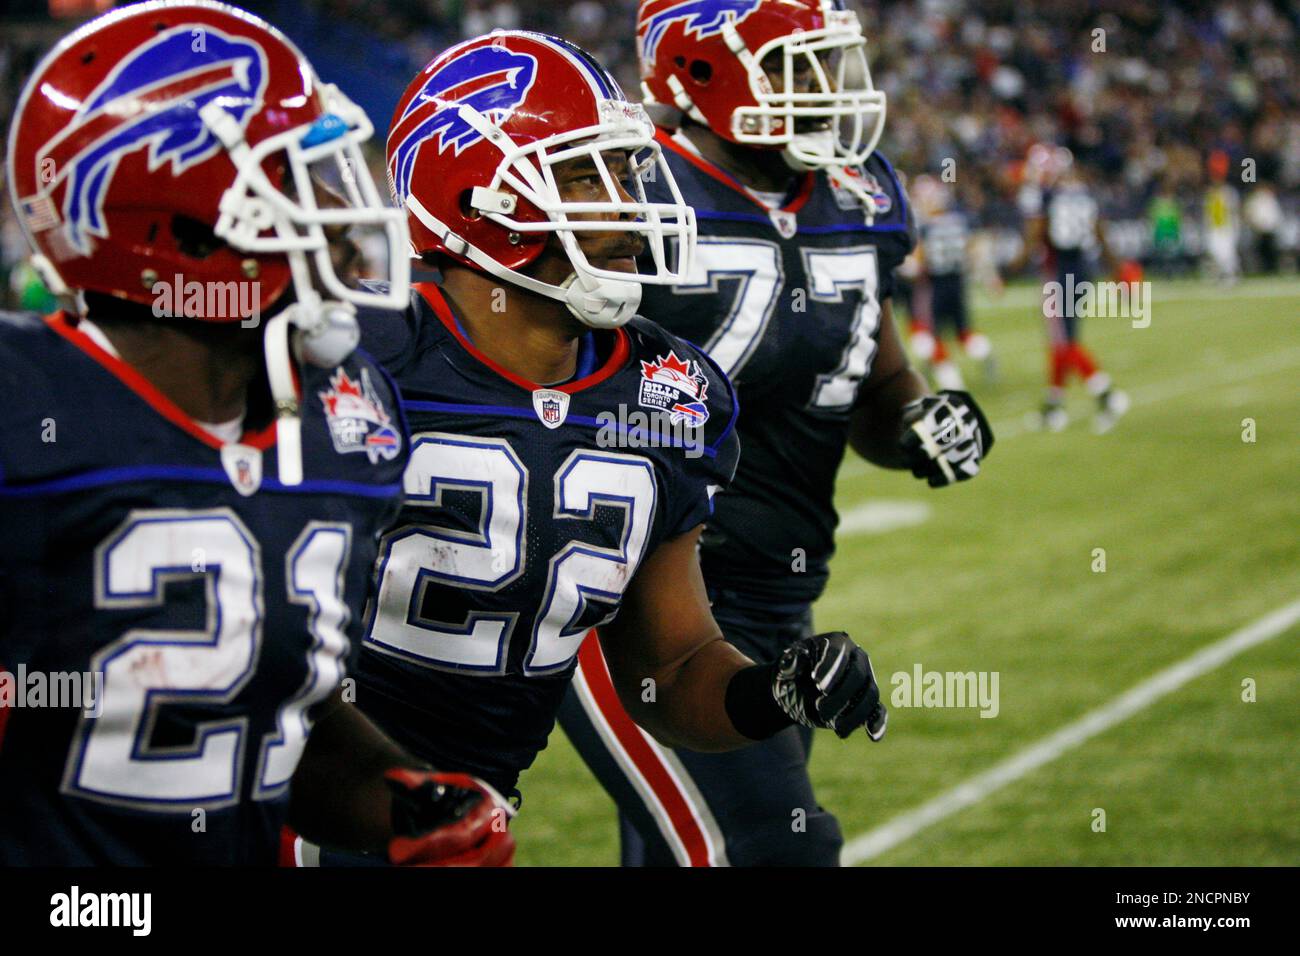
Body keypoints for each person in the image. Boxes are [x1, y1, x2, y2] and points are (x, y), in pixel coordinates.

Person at [286, 28, 889, 866]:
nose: (629, 204)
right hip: (309, 812)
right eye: (582, 174)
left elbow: (670, 670)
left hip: (474, 820)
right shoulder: (359, 358)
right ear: (474, 197)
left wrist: (770, 690)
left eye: (627, 173)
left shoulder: (670, 390)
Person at [0, 0, 509, 866]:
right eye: (298, 184)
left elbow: (264, 709)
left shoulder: (346, 420)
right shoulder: (27, 406)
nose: (348, 228)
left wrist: (396, 796)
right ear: (181, 222)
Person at [556, 0, 994, 866]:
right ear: (704, 74)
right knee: (770, 848)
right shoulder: (634, 195)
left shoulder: (857, 194)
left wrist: (917, 423)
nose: (825, 90)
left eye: (827, 66)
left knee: (686, 851)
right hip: (637, 603)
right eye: (795, 69)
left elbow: (876, 381)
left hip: (776, 594)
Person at [1016, 145, 1129, 434]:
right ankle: (1054, 406)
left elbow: (1035, 236)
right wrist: (1116, 271)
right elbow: (1100, 234)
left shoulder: (1044, 195)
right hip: (1083, 268)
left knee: (1064, 340)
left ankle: (1107, 394)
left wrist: (1008, 269)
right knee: (1063, 339)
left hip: (1058, 270)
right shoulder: (1084, 193)